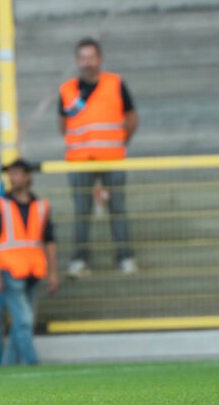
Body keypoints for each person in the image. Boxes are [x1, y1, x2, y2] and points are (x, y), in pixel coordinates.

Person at [58, 38, 139, 277]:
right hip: (80, 161)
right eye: (83, 58)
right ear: (77, 60)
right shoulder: (68, 90)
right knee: (81, 211)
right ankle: (80, 260)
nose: (87, 63)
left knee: (118, 208)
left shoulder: (115, 83)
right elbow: (63, 124)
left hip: (111, 158)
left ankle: (125, 257)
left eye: (91, 57)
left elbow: (132, 118)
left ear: (100, 59)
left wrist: (120, 141)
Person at [0, 159, 58, 366]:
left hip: (34, 271)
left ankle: (7, 367)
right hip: (10, 270)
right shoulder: (2, 205)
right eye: (10, 174)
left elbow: (49, 241)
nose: (12, 178)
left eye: (16, 173)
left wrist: (53, 273)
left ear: (27, 177)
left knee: (22, 323)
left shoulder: (41, 206)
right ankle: (32, 363)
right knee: (25, 321)